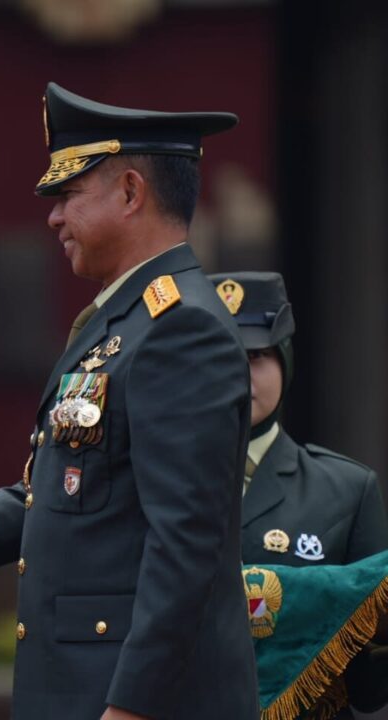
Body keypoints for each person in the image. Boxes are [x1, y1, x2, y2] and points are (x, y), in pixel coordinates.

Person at [0, 84, 260, 719]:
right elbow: (59, 496)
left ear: (129, 192)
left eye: (67, 195)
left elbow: (187, 547)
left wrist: (132, 708)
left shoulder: (181, 329)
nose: (53, 217)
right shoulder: (118, 323)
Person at [210, 270, 388, 718]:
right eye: (220, 357)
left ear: (285, 360)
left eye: (256, 356)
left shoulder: (347, 489)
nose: (239, 374)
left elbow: (369, 686)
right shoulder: (151, 482)